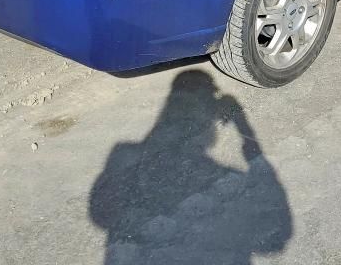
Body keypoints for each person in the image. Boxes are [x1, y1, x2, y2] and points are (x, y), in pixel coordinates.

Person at [88, 70, 291, 265]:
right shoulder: (223, 181)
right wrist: (241, 123)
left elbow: (102, 215)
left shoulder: (126, 156)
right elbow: (277, 237)